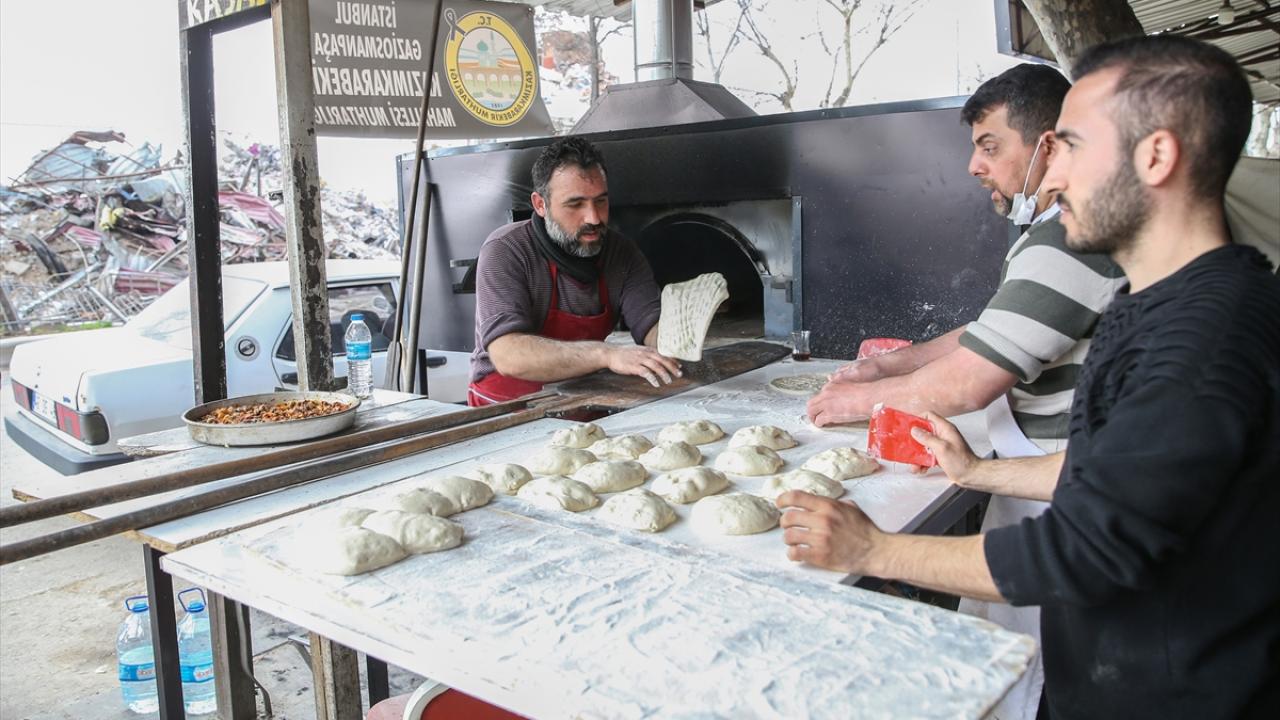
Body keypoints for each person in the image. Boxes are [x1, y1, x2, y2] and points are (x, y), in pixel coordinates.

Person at [780, 36, 1280, 719]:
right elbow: (1113, 467)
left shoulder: (1205, 342)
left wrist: (875, 548)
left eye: (1070, 145)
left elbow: (1081, 550)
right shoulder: (1153, 302)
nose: (1051, 177)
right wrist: (981, 473)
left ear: (1156, 157)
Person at [810, 63, 1126, 719]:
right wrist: (889, 371)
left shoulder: (1077, 237)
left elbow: (970, 377)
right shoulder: (1054, 238)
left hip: (1069, 496)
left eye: (989, 146)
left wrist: (852, 402)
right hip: (1040, 475)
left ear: (1048, 146)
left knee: (1041, 672)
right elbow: (991, 328)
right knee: (1015, 663)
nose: (975, 168)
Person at [467, 137, 681, 406]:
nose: (593, 218)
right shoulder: (507, 250)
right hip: (505, 408)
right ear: (540, 204)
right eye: (575, 204)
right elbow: (508, 354)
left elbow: (651, 326)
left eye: (600, 201)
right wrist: (606, 355)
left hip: (582, 399)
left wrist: (680, 334)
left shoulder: (621, 253)